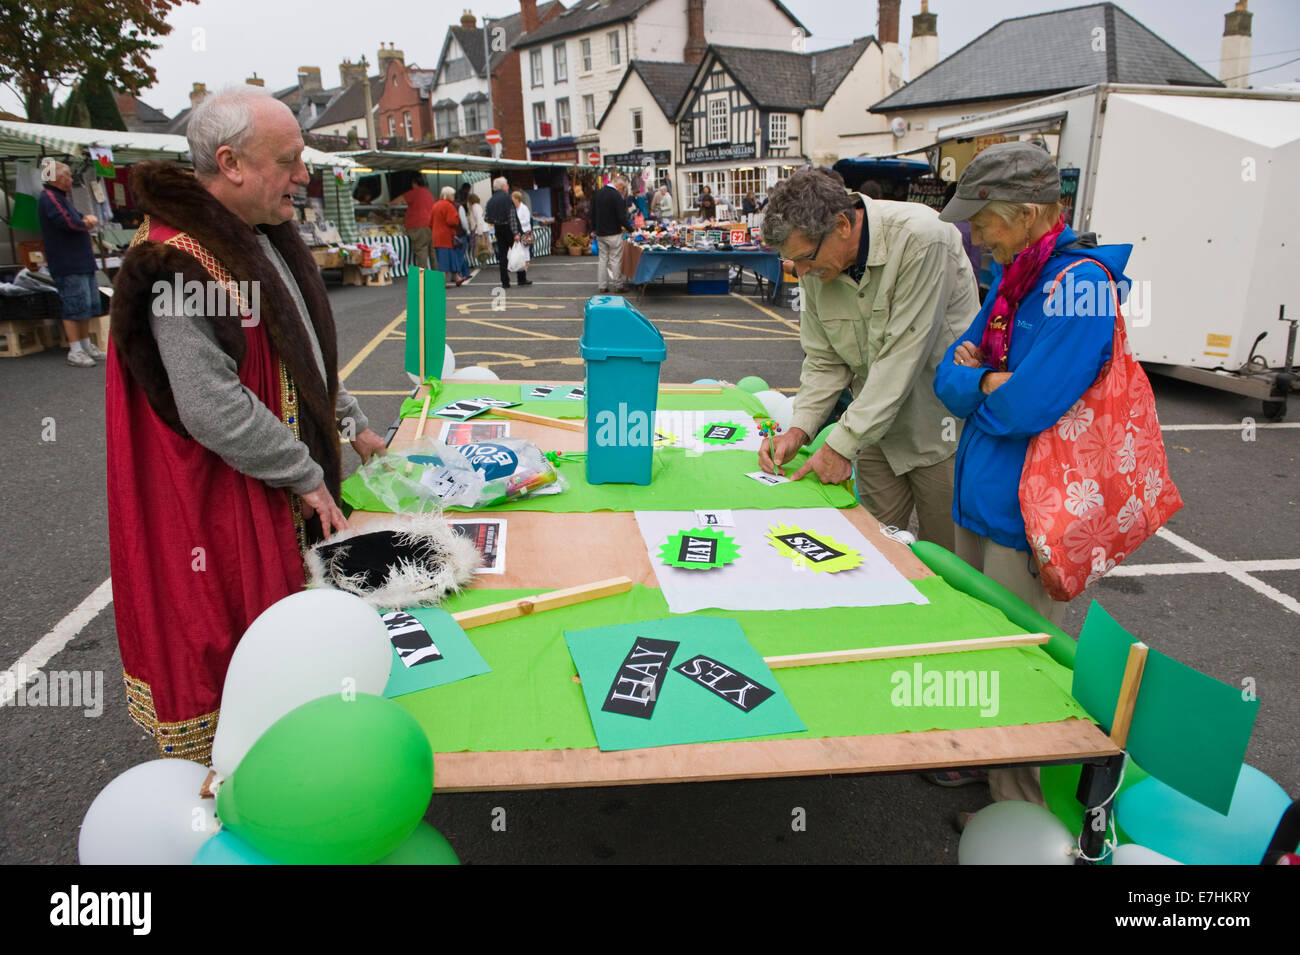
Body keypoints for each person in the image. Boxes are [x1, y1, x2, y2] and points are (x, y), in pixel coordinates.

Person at [105, 86, 387, 763]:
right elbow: (210, 404)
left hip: (278, 486)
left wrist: (353, 425)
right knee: (242, 657)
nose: (303, 176)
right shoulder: (175, 260)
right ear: (230, 163)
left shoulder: (257, 234)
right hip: (222, 505)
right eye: (288, 160)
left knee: (296, 643)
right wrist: (305, 473)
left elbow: (303, 356)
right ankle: (240, 779)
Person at [931, 141, 1131, 810]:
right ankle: (991, 778)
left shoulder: (1080, 285)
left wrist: (977, 378)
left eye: (981, 220)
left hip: (1028, 516)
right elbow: (948, 378)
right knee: (987, 652)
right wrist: (984, 377)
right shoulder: (1019, 279)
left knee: (1022, 666)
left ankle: (1023, 819)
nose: (974, 235)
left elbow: (1028, 403)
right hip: (984, 499)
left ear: (1021, 213)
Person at [758, 167, 980, 552]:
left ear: (842, 224)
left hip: (942, 430)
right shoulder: (814, 263)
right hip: (874, 429)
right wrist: (799, 429)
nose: (804, 273)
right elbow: (824, 358)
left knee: (949, 563)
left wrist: (841, 444)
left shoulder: (922, 238)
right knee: (871, 552)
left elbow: (902, 356)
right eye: (795, 264)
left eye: (806, 259)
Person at [37, 160, 103, 367]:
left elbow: (75, 216)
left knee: (87, 305)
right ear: (56, 177)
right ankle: (75, 350)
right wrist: (87, 222)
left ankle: (86, 344)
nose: (71, 179)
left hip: (81, 261)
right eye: (67, 175)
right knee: (73, 305)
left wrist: (85, 219)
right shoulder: (49, 197)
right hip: (67, 262)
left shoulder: (61, 198)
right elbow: (67, 222)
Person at [592, 175, 632, 293]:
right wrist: (631, 229)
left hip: (600, 233)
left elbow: (592, 213)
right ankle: (618, 285)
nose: (623, 191)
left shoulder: (598, 193)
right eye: (623, 188)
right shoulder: (616, 196)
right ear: (619, 185)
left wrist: (594, 229)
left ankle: (602, 286)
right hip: (613, 233)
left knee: (602, 259)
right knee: (615, 259)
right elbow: (621, 217)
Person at [484, 176, 525, 288]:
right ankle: (521, 278)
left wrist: (496, 221)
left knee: (502, 255)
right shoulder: (507, 199)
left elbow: (486, 218)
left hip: (498, 228)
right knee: (517, 252)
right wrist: (516, 233)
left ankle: (505, 281)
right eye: (506, 184)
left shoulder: (491, 200)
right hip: (508, 228)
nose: (508, 187)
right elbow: (512, 217)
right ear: (503, 186)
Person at [431, 185, 466, 287]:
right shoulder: (448, 206)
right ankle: (442, 282)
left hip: (437, 236)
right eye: (452, 194)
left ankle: (457, 277)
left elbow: (430, 222)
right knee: (446, 259)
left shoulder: (435, 205)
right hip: (446, 236)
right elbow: (452, 221)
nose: (454, 196)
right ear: (448, 195)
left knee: (446, 258)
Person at [398, 174, 435, 271]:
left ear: (414, 184)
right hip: (430, 225)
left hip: (418, 225)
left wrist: (388, 203)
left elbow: (401, 199)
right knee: (432, 252)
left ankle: (424, 280)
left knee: (421, 251)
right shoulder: (429, 193)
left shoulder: (415, 192)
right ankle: (438, 278)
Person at [511, 190, 533, 283]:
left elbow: (527, 220)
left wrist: (518, 223)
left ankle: (526, 264)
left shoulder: (524, 208)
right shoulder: (515, 208)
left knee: (525, 249)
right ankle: (521, 265)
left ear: (517, 199)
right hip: (520, 232)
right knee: (521, 250)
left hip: (525, 232)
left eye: (513, 199)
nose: (512, 201)